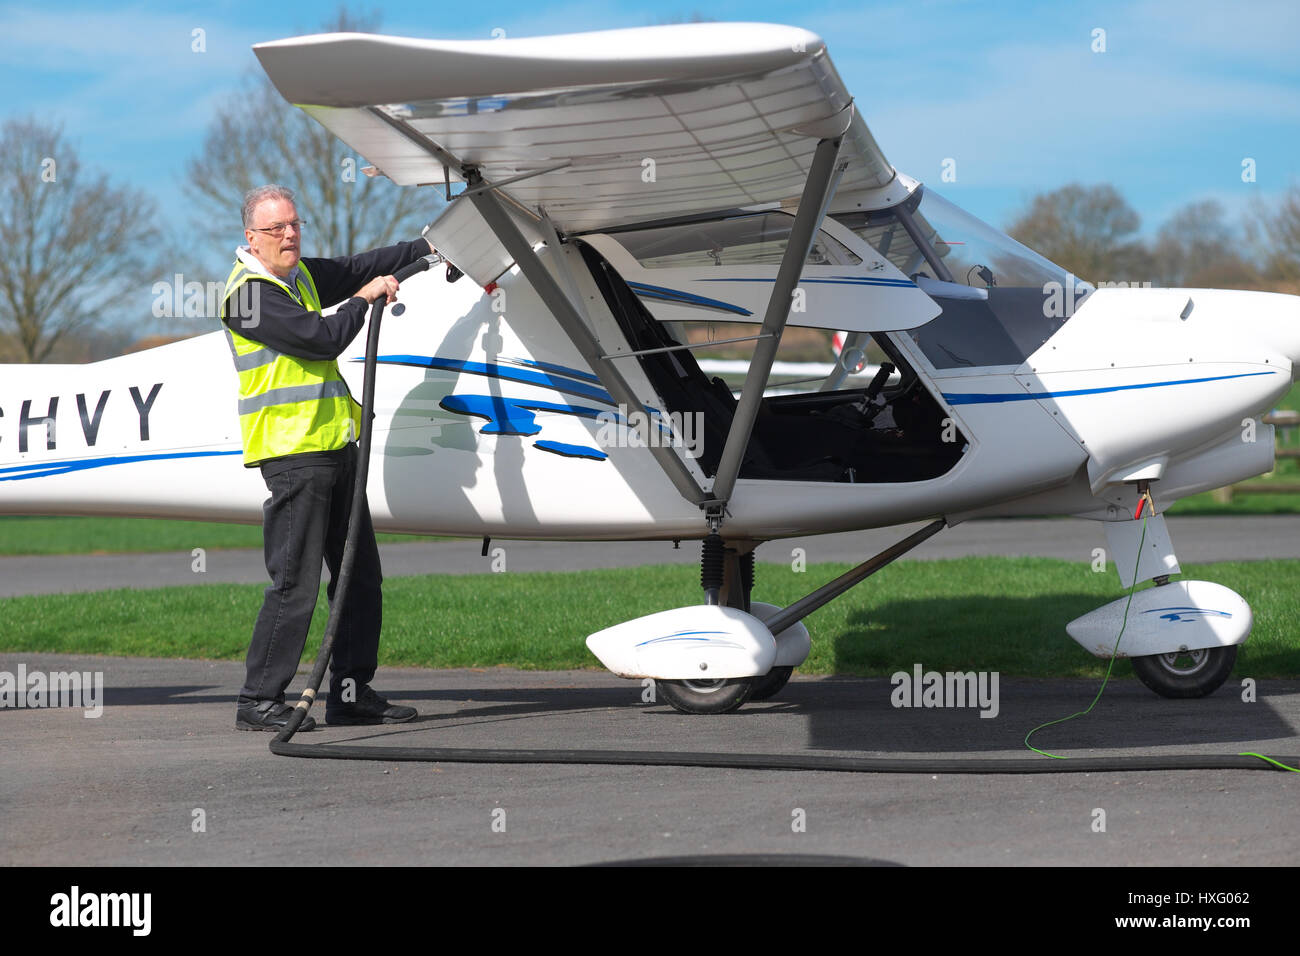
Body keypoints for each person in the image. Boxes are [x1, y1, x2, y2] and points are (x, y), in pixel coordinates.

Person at [220, 183, 431, 731]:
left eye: (294, 224)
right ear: (251, 238)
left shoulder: (300, 275)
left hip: (336, 448)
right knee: (296, 584)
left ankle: (350, 692)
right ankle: (257, 700)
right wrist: (365, 298)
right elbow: (320, 339)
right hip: (293, 458)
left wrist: (428, 248)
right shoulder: (246, 295)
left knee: (360, 576)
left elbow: (358, 263)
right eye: (275, 229)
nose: (289, 235)